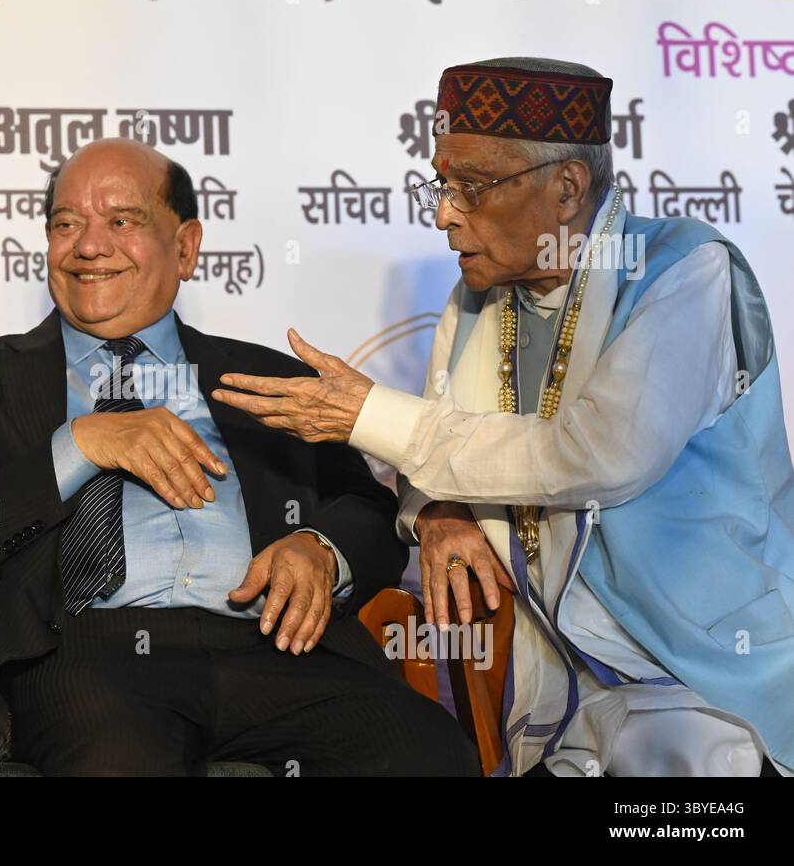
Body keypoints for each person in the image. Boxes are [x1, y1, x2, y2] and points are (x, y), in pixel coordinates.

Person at [213, 57, 793, 776]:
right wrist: (438, 513)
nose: (443, 212)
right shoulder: (478, 297)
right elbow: (436, 456)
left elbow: (600, 455)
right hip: (558, 687)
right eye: (442, 182)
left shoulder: (683, 272)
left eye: (473, 187)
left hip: (697, 685)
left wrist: (368, 415)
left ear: (567, 189)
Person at [0, 137, 478, 776]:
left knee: (431, 754)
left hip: (277, 648)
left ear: (186, 247)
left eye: (122, 221)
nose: (88, 246)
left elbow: (367, 505)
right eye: (66, 225)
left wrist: (319, 547)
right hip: (87, 659)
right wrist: (81, 442)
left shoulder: (266, 379)